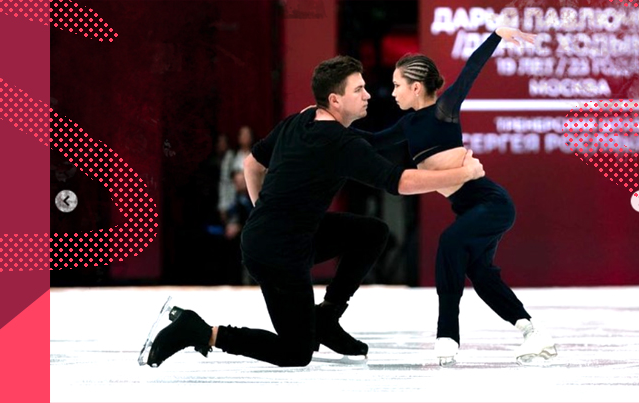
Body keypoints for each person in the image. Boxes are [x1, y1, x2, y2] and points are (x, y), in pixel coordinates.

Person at [139, 56, 486, 368]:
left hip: (281, 236)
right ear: (335, 100)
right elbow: (400, 182)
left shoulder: (301, 119)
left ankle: (328, 317)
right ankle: (199, 330)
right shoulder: (341, 144)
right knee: (295, 353)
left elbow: (252, 165)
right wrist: (463, 173)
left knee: (371, 233)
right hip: (278, 254)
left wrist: (267, 212)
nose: (368, 95)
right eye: (359, 89)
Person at [354, 27, 557, 365]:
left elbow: (470, 71)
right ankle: (533, 332)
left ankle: (447, 335)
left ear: (416, 87)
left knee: (450, 244)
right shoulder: (407, 126)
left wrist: (496, 35)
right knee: (481, 273)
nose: (392, 93)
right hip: (470, 208)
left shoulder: (443, 110)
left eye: (397, 85)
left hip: (490, 202)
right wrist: (329, 126)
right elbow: (371, 142)